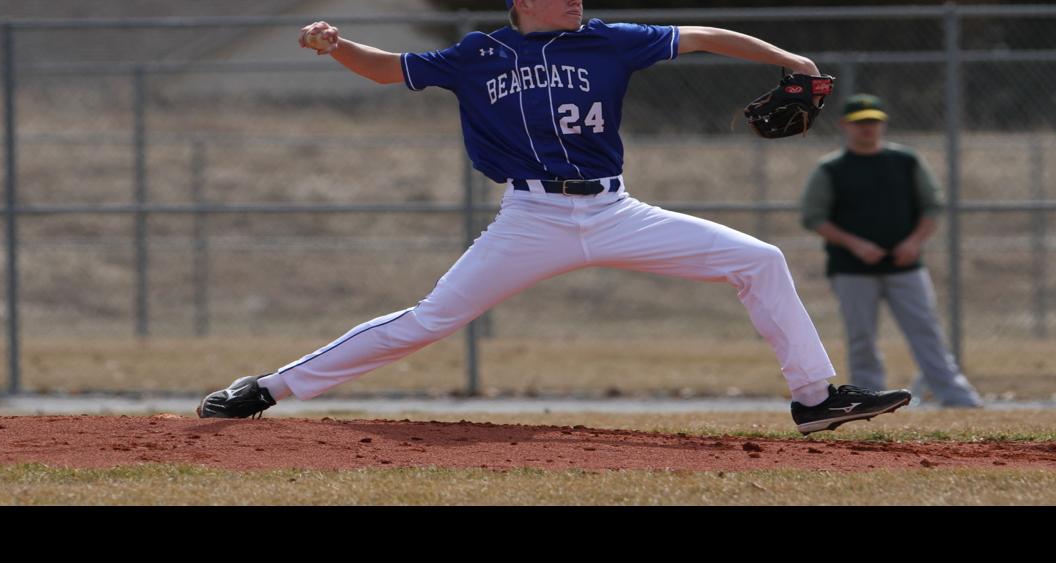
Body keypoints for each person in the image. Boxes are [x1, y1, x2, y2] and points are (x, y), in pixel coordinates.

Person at [197, 0, 911, 436]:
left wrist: (790, 57)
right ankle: (267, 388)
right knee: (430, 319)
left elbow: (702, 35)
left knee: (759, 259)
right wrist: (335, 46)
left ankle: (815, 398)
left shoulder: (608, 39)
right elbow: (391, 69)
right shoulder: (480, 53)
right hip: (530, 216)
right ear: (523, 1)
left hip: (615, 207)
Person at [800, 94, 983, 408]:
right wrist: (856, 244)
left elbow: (932, 205)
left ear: (882, 124)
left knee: (926, 332)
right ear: (845, 126)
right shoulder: (832, 168)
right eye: (859, 123)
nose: (867, 129)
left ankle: (955, 396)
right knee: (861, 339)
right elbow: (813, 216)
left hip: (905, 266)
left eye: (872, 122)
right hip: (852, 268)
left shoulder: (905, 161)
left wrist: (914, 242)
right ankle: (867, 398)